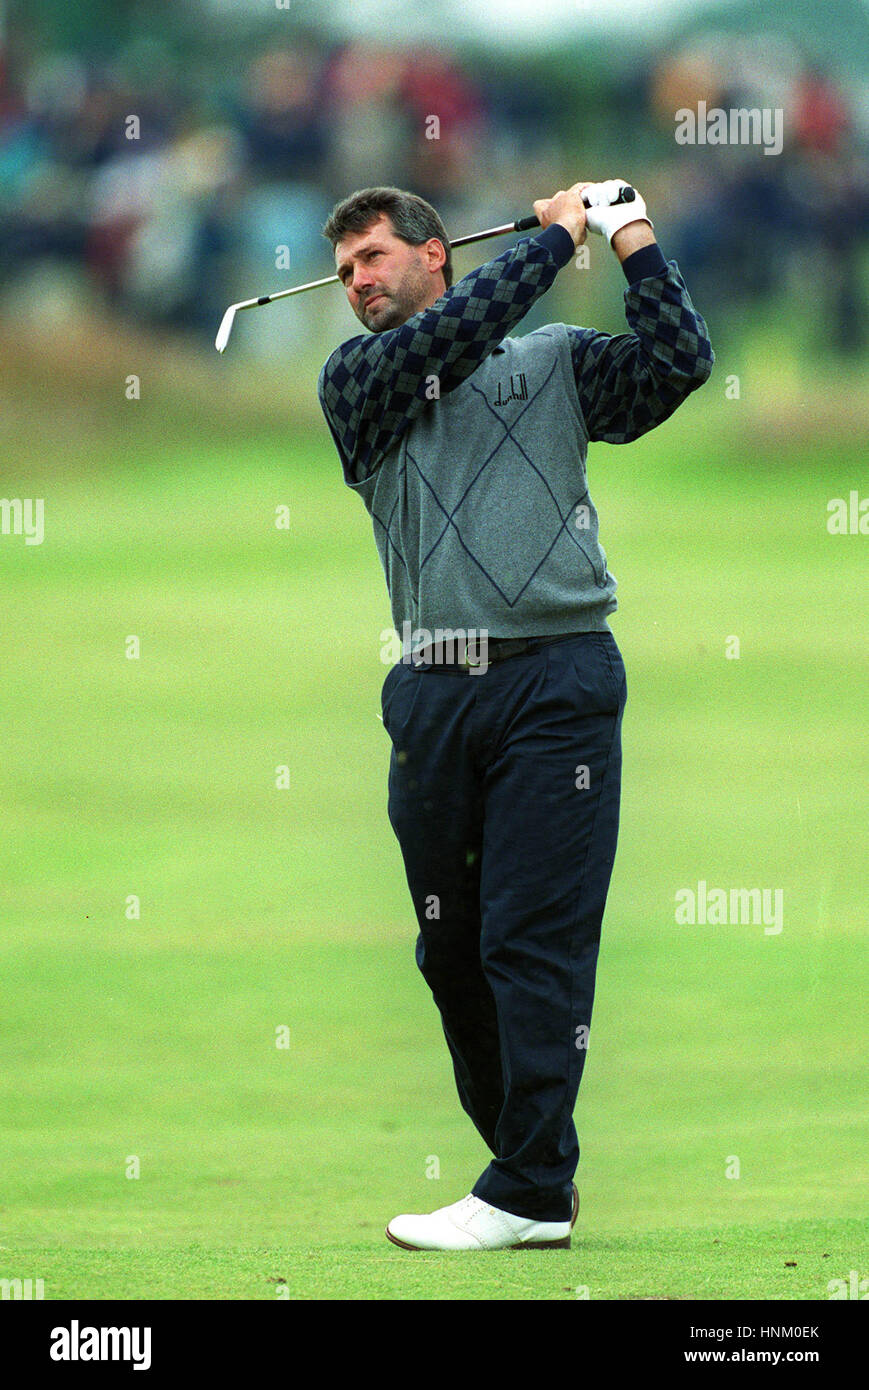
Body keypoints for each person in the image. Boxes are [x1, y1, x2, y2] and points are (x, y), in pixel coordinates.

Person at [317, 181, 713, 1251]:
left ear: (434, 251)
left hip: (559, 682)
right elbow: (456, 336)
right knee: (450, 954)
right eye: (345, 265)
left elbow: (677, 362)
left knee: (528, 943)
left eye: (373, 255)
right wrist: (550, 237)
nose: (356, 279)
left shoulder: (557, 366)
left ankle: (525, 1187)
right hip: (432, 690)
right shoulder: (359, 378)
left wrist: (627, 231)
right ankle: (531, 1173)